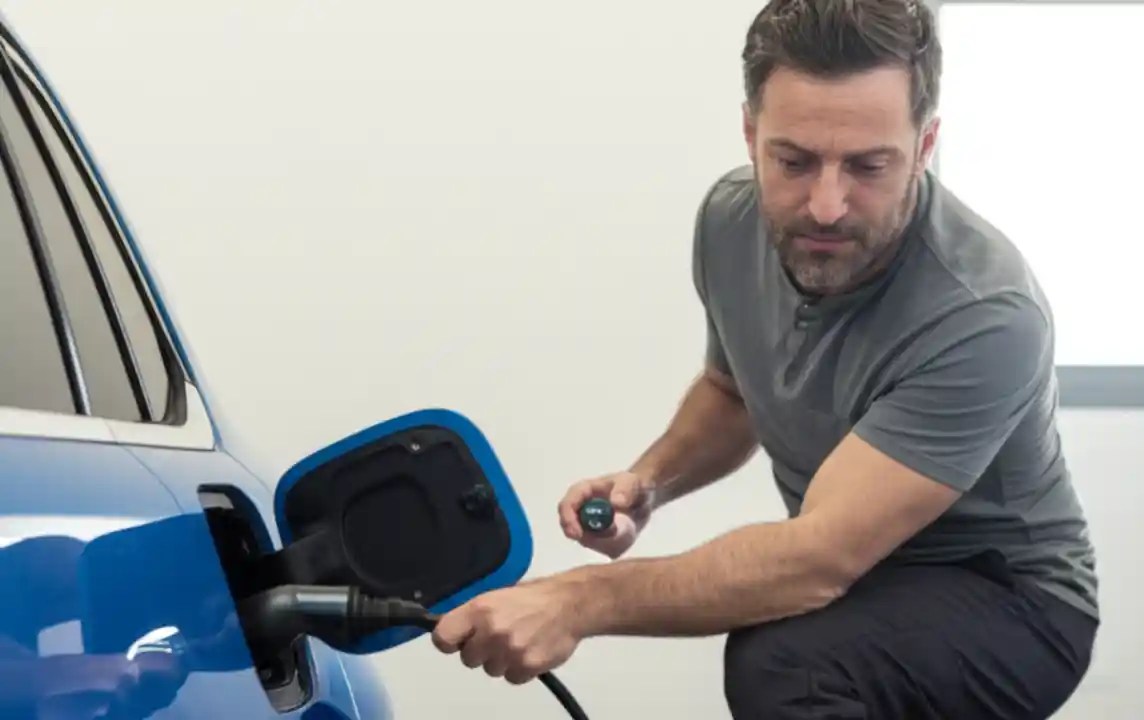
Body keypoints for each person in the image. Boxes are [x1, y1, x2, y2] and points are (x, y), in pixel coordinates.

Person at [431, 0, 1100, 717]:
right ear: (750, 134)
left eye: (869, 166)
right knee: (786, 648)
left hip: (1011, 597)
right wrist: (648, 483)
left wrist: (574, 600)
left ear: (926, 143)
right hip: (868, 575)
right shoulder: (730, 221)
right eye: (794, 161)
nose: (826, 205)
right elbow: (732, 393)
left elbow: (814, 561)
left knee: (786, 662)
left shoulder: (985, 312)